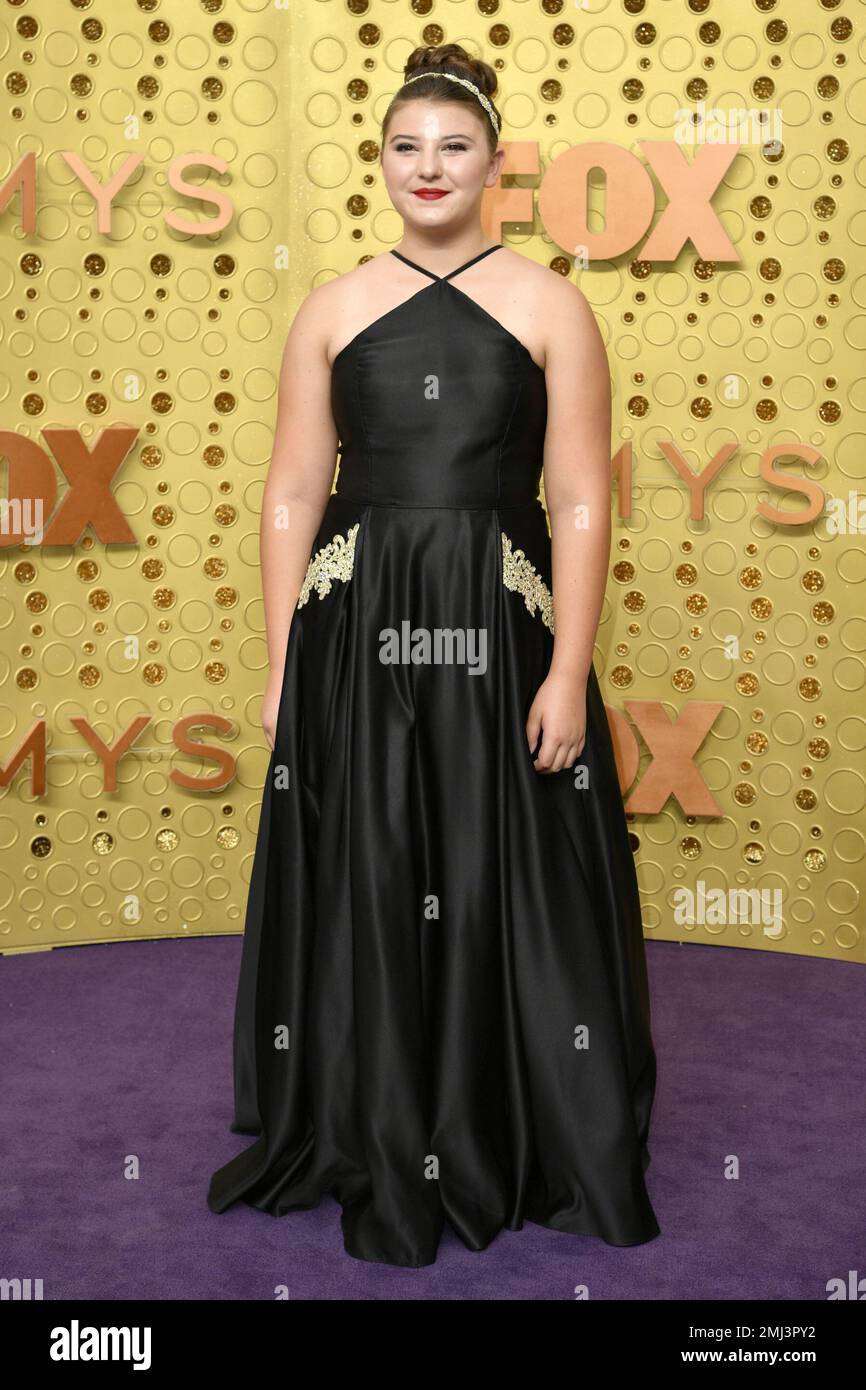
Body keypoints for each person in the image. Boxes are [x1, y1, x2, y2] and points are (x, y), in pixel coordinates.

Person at [207, 41, 661, 1268]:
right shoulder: (334, 306)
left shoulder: (551, 304)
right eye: (405, 146)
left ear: (494, 164)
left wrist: (567, 667)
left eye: (451, 146)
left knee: (499, 865)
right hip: (358, 624)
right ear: (381, 162)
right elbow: (292, 490)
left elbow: (578, 497)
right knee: (376, 856)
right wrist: (278, 663)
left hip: (499, 619)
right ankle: (370, 1120)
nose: (427, 165)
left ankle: (508, 1128)